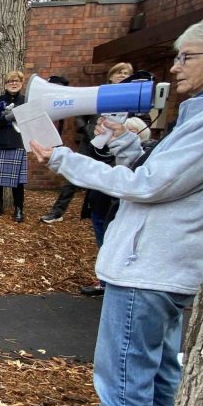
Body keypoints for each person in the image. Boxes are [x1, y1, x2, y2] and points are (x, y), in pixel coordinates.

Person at [31, 10, 203, 406]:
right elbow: (165, 176)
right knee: (160, 371)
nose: (176, 67)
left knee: (124, 378)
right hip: (164, 265)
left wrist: (63, 159)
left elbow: (150, 186)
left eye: (188, 56)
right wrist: (123, 143)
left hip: (151, 265)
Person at [39, 63, 134, 224]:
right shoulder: (99, 95)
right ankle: (57, 212)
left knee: (112, 179)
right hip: (90, 143)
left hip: (115, 146)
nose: (122, 75)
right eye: (119, 72)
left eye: (126, 73)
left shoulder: (133, 98)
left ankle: (102, 214)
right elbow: (80, 115)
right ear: (111, 76)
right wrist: (88, 131)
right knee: (72, 177)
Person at [78, 117, 151, 298]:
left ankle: (112, 283)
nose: (127, 136)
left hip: (118, 209)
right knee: (103, 242)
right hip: (101, 205)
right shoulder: (110, 152)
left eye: (133, 132)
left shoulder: (147, 154)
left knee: (114, 244)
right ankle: (104, 282)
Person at [0, 71, 28, 223]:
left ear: (21, 83)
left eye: (17, 81)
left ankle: (19, 208)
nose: (13, 84)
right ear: (5, 85)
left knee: (18, 181)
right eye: (10, 82)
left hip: (17, 143)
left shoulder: (26, 101)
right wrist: (5, 118)